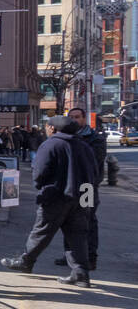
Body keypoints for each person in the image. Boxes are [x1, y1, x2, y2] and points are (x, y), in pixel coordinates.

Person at [0, 116, 96, 287]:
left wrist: (41, 187)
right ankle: (81, 273)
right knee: (78, 235)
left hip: (57, 195)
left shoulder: (51, 144)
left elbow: (40, 172)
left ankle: (26, 261)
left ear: (52, 128)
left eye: (47, 127)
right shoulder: (84, 146)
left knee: (42, 231)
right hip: (84, 195)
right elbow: (95, 172)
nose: (46, 129)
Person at [54, 107, 106, 271]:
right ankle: (71, 255)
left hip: (87, 187)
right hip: (68, 185)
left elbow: (94, 162)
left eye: (77, 117)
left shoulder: (94, 138)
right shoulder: (67, 138)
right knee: (68, 220)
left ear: (84, 119)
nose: (74, 120)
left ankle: (90, 257)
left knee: (87, 221)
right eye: (71, 117)